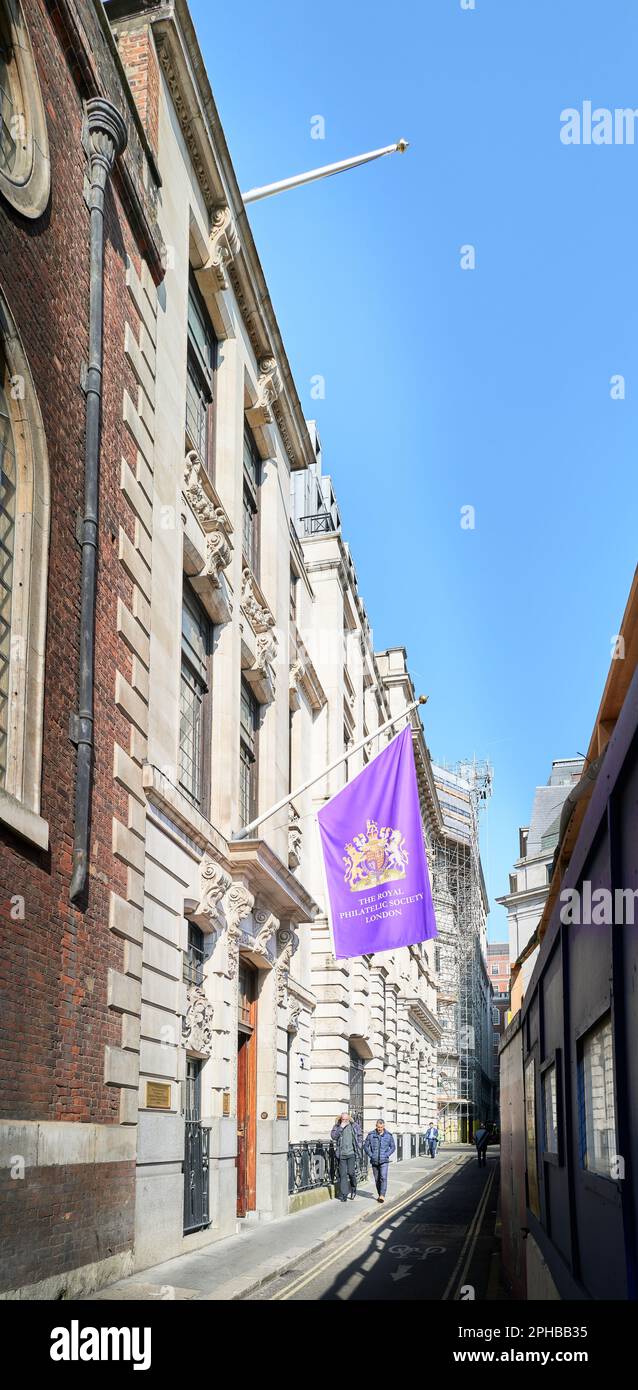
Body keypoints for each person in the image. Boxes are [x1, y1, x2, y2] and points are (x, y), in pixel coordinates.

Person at [331, 1112, 363, 1202]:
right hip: (341, 1154)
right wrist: (341, 1127)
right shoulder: (337, 1126)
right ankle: (344, 1194)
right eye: (343, 1119)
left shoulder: (354, 1126)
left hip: (351, 1153)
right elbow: (333, 1136)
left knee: (351, 1172)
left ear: (349, 1119)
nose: (345, 1121)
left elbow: (360, 1135)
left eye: (346, 1119)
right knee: (343, 1175)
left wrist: (359, 1144)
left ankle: (353, 1188)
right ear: (341, 1119)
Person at [364, 1118, 396, 1203]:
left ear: (383, 1126)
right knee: (377, 1179)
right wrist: (371, 1155)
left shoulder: (388, 1135)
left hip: (384, 1161)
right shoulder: (371, 1135)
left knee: (383, 1177)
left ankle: (382, 1195)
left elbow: (393, 1147)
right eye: (378, 1127)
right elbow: (365, 1146)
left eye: (381, 1127)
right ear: (376, 1126)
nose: (379, 1129)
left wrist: (386, 1154)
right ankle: (380, 1194)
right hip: (374, 1160)